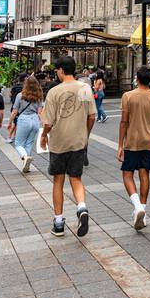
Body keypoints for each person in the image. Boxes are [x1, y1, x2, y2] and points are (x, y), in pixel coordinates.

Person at [40, 56, 96, 237]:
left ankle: (58, 223)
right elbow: (92, 116)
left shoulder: (54, 92)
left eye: (57, 70)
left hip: (59, 142)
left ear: (62, 70)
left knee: (58, 180)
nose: (56, 73)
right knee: (76, 178)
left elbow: (48, 122)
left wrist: (43, 135)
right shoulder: (84, 88)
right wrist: (85, 134)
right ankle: (82, 208)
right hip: (78, 141)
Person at [119, 66, 150, 230]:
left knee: (127, 174)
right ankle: (143, 210)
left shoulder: (128, 96)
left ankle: (137, 206)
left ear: (136, 78)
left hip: (132, 141)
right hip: (149, 141)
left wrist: (120, 144)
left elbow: (124, 121)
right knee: (144, 173)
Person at [7, 76, 44, 173]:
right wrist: (43, 123)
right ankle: (27, 165)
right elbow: (40, 112)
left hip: (24, 119)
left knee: (18, 144)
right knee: (29, 143)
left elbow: (14, 112)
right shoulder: (39, 96)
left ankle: (25, 157)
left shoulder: (20, 95)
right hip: (35, 120)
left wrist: (10, 122)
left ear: (25, 84)